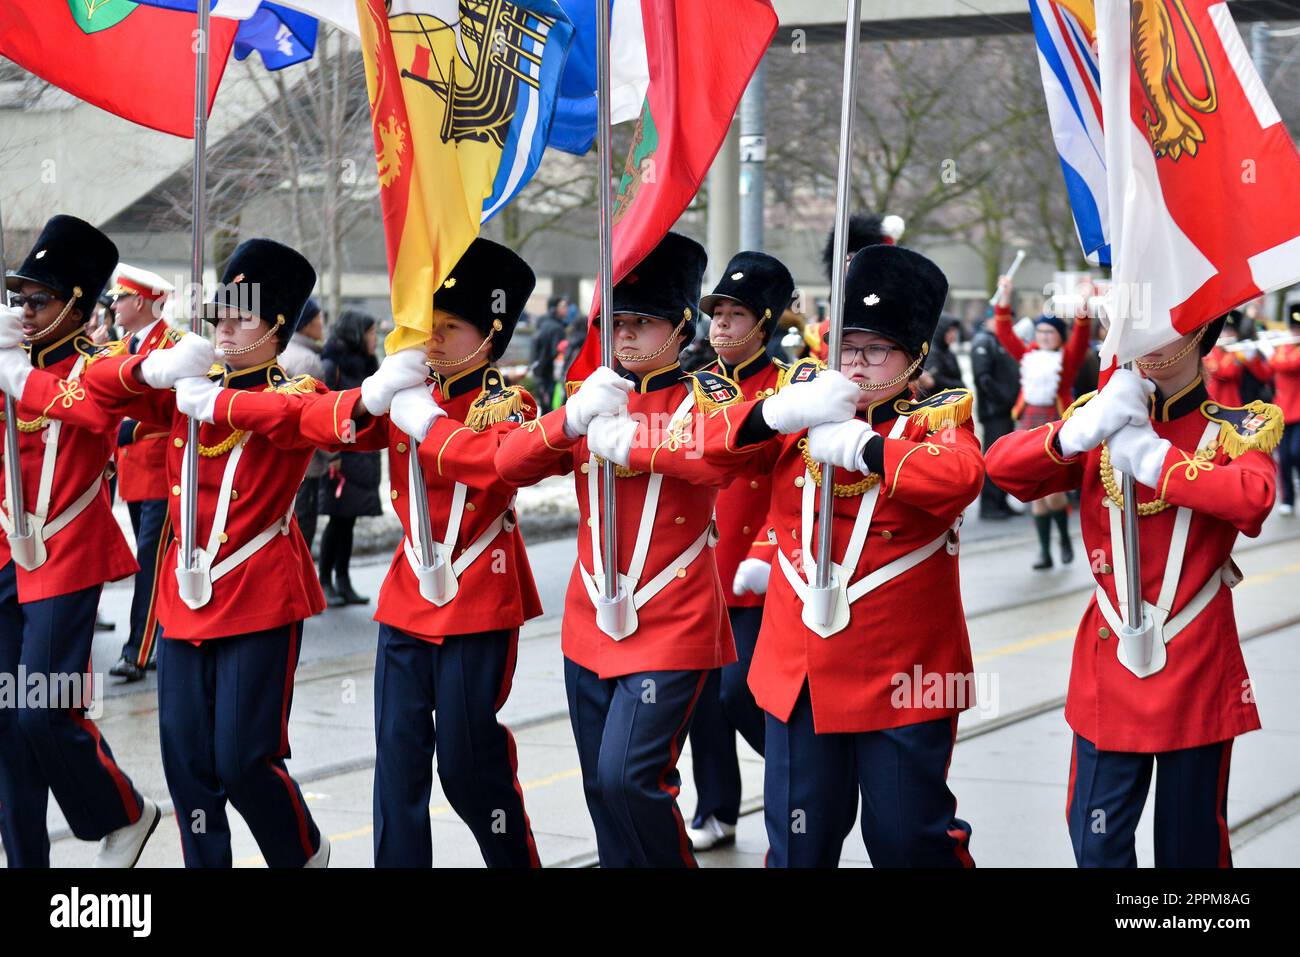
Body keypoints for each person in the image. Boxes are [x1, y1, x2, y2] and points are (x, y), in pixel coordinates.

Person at [494, 232, 829, 867]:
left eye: (642, 324)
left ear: (679, 326)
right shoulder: (594, 393)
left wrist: (635, 444)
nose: (624, 337)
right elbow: (509, 465)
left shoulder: (711, 395)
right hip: (589, 616)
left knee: (630, 778)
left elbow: (720, 455)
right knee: (600, 788)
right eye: (617, 323)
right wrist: (568, 420)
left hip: (672, 617)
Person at [714, 243, 981, 868]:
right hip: (800, 667)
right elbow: (705, 454)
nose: (856, 364)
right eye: (847, 347)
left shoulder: (934, 419)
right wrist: (773, 414)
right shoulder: (798, 410)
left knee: (907, 841)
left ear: (914, 357)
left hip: (900, 673)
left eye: (875, 350)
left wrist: (869, 451)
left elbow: (960, 479)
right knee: (799, 848)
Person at [288, 238, 546, 867]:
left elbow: (496, 464)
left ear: (491, 337)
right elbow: (334, 425)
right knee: (398, 766)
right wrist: (376, 393)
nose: (431, 340)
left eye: (449, 327)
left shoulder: (510, 404)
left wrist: (425, 420)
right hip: (408, 599)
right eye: (428, 324)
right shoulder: (412, 392)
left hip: (476, 599)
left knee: (467, 765)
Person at [986, 315, 1279, 867]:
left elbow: (1253, 498)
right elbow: (1003, 472)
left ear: (1197, 335)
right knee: (1095, 845)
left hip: (1195, 657)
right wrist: (1077, 431)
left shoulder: (1241, 423)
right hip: (1112, 657)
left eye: (1153, 326)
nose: (1131, 341)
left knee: (1189, 851)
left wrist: (1157, 461)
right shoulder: (1101, 420)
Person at [82, 238, 334, 868]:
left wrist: (215, 400)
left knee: (244, 759)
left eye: (240, 314)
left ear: (277, 326)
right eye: (218, 311)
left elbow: (300, 420)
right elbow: (97, 386)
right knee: (189, 764)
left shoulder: (296, 386)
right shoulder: (190, 382)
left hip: (258, 589)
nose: (222, 324)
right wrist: (153, 369)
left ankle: (302, 853)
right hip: (187, 591)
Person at [0, 214, 159, 867]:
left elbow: (92, 411)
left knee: (43, 710)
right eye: (17, 298)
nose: (24, 311)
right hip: (8, 548)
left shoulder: (97, 365)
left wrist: (15, 373)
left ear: (77, 304)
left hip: (67, 552)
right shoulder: (10, 358)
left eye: (38, 299)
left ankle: (124, 810)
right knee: (7, 724)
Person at [684, 250, 794, 851]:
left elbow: (791, 480)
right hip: (697, 563)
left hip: (757, 567)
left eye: (734, 315)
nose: (720, 325)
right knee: (702, 699)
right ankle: (717, 807)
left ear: (765, 321)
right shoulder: (695, 386)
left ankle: (796, 769)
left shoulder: (788, 386)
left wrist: (769, 553)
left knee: (739, 692)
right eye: (716, 314)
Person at [105, 264, 177, 683]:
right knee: (152, 560)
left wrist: (132, 428)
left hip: (161, 468)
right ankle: (164, 636)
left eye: (121, 298)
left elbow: (175, 408)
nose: (114, 305)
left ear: (141, 302)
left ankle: (140, 649)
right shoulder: (121, 347)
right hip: (134, 470)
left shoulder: (173, 344)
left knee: (151, 560)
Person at [993, 276, 1093, 569]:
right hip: (1027, 420)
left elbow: (1082, 334)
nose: (1046, 335)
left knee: (1056, 491)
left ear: (1060, 336)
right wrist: (1005, 296)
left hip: (1055, 421)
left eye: (1051, 331)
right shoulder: (1026, 355)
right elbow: (1003, 332)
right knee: (1034, 489)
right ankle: (1045, 551)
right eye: (1042, 331)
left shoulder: (1069, 358)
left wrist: (1083, 304)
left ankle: (1063, 539)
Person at [318, 310, 382, 606]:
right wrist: (332, 454)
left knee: (350, 519)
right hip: (342, 454)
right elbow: (325, 411)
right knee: (338, 517)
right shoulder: (333, 366)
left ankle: (343, 579)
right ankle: (325, 581)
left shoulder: (370, 366)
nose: (375, 339)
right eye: (371, 333)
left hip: (363, 451)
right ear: (357, 333)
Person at [281, 298, 328, 555]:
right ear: (307, 323)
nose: (323, 324)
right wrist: (331, 456)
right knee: (302, 526)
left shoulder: (283, 354)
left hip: (281, 455)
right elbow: (316, 417)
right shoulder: (309, 362)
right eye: (319, 318)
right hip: (306, 459)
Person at [969, 310, 1020, 520]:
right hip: (994, 411)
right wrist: (1003, 399)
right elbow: (983, 378)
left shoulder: (997, 340)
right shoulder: (984, 341)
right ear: (989, 319)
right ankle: (989, 505)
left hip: (1004, 409)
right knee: (993, 457)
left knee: (1004, 457)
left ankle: (1000, 500)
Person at [1204, 310, 1273, 408]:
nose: (1226, 334)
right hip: (1212, 402)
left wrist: (1254, 357)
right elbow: (1224, 371)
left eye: (1230, 331)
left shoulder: (1240, 350)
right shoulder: (1211, 350)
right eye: (1224, 330)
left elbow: (1264, 375)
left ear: (1236, 332)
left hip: (1232, 403)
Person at [1269, 305, 1300, 515]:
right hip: (1283, 412)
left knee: (1297, 452)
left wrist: (1271, 353)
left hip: (1299, 411)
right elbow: (1270, 366)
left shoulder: (1290, 350)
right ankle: (1288, 499)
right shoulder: (1284, 346)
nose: (1296, 332)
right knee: (1284, 458)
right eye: (1294, 328)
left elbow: (1290, 365)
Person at [530, 295, 569, 415]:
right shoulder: (557, 328)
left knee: (545, 411)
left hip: (539, 373)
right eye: (563, 306)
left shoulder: (542, 324)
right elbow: (557, 353)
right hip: (551, 376)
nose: (566, 309)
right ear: (554, 308)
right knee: (553, 412)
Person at [918, 315, 965, 397]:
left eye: (955, 331)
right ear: (941, 330)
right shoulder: (932, 352)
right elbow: (933, 380)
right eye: (950, 331)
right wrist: (959, 386)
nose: (953, 335)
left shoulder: (949, 352)